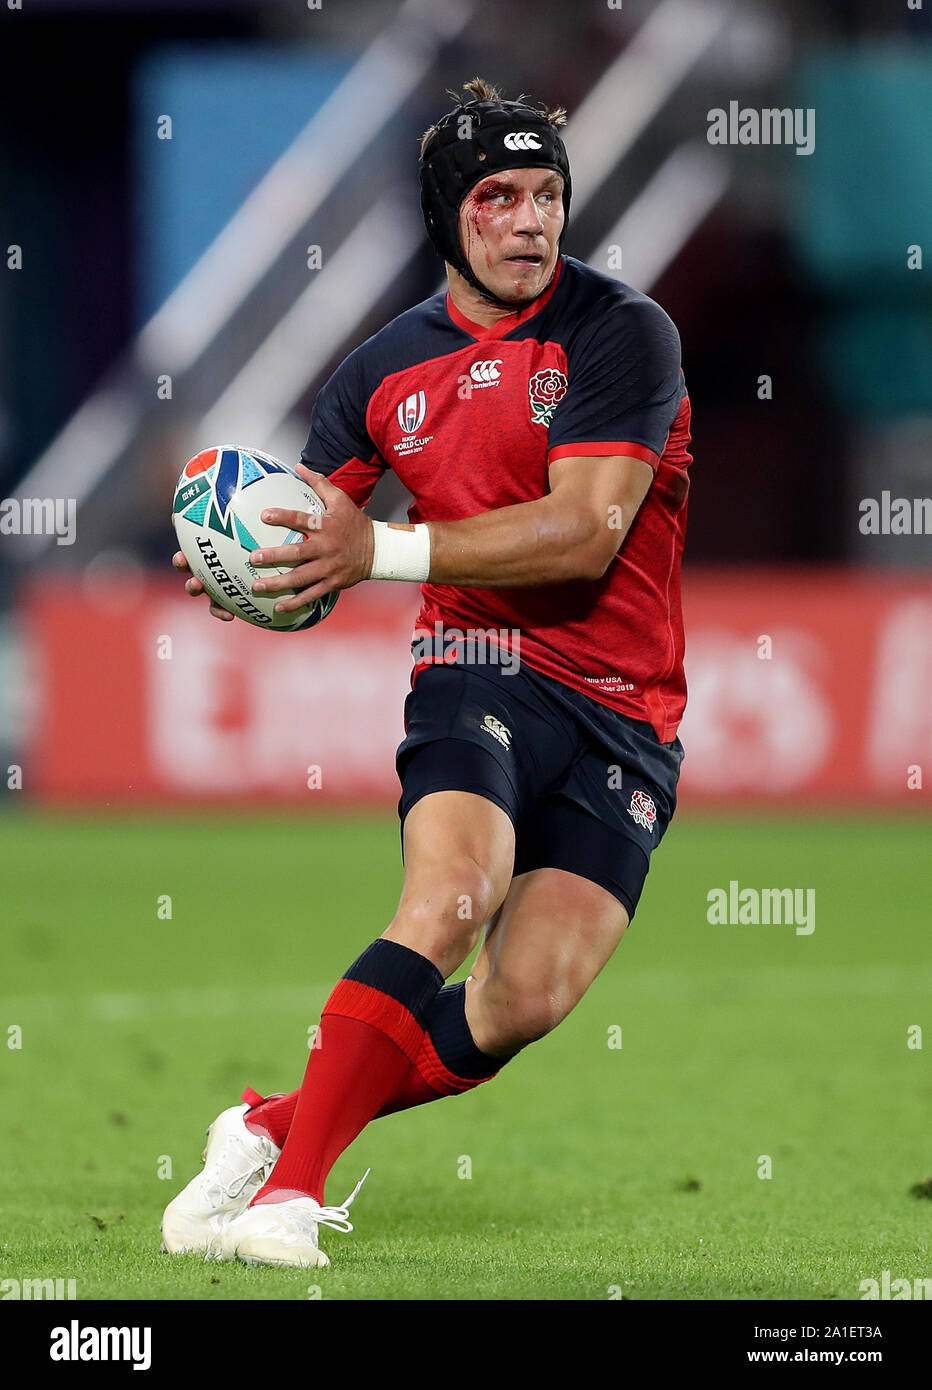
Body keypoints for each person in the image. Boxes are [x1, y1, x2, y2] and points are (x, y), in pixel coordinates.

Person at [164, 76, 692, 1269]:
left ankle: (265, 1126)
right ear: (448, 217)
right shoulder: (378, 375)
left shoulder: (619, 333)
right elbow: (315, 536)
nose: (527, 221)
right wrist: (257, 572)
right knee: (452, 896)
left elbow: (586, 530)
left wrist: (377, 549)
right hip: (477, 663)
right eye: (498, 197)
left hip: (625, 711)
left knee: (524, 1002)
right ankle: (286, 1201)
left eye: (546, 194)